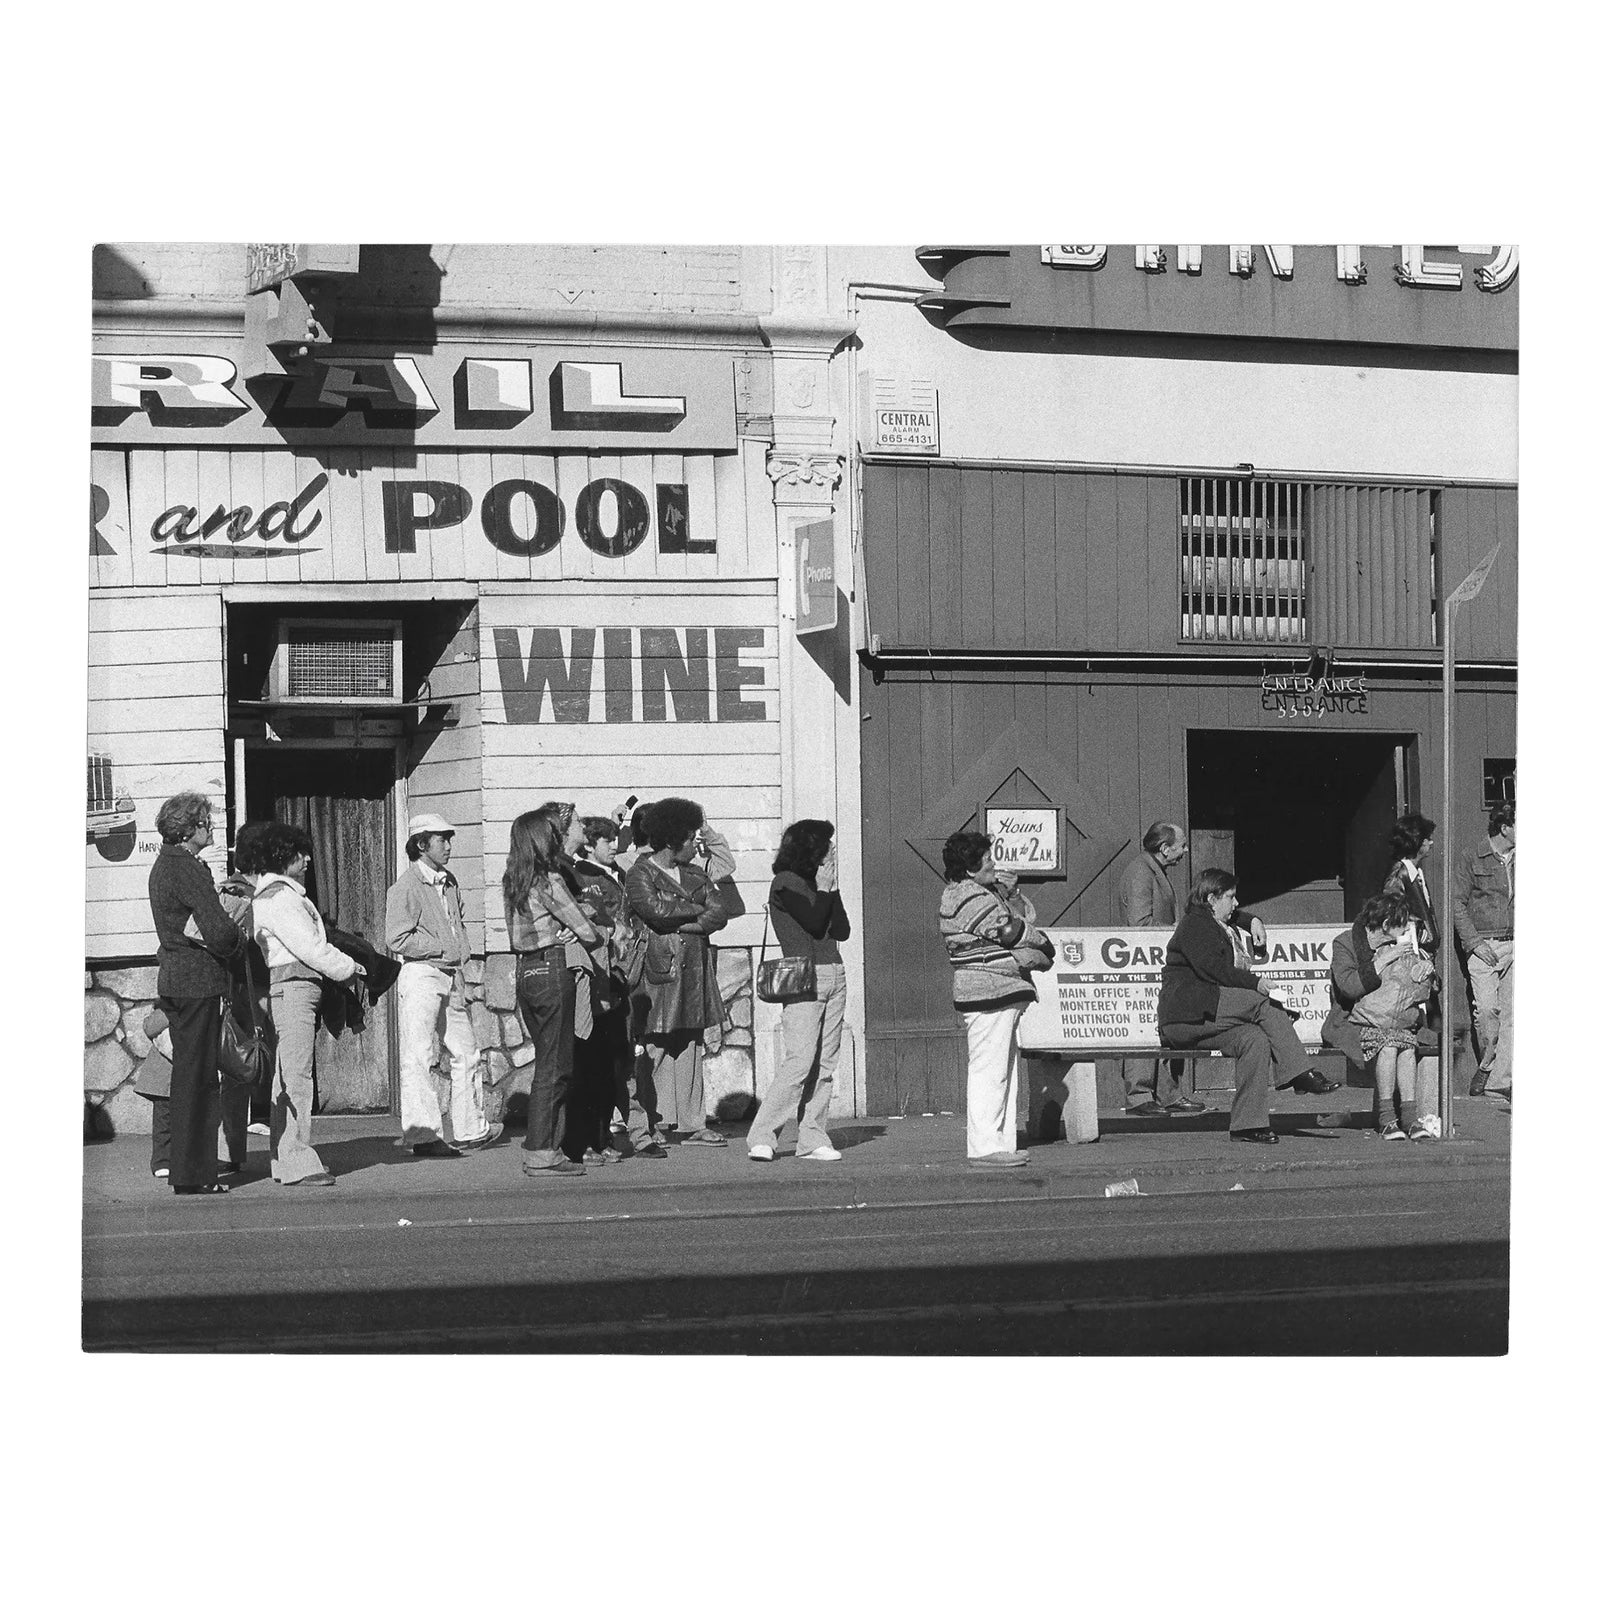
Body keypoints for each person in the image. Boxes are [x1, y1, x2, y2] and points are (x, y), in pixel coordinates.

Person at [1157, 868, 1337, 1144]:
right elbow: (1214, 970)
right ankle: (1299, 1072)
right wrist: (1256, 982)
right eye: (1231, 897)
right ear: (1212, 898)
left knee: (1254, 1040)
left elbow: (1232, 915)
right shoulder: (1195, 925)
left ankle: (1247, 1126)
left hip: (1206, 1018)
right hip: (1185, 1017)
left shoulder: (1213, 920)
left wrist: (1252, 921)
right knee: (1261, 1002)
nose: (1237, 903)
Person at [251, 822, 365, 1186]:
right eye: (300, 853)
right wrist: (350, 968)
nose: (308, 859)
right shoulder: (280, 899)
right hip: (293, 988)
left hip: (298, 989)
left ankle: (287, 1159)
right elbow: (310, 948)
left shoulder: (283, 895)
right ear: (282, 857)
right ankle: (296, 1160)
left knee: (291, 1074)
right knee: (295, 1076)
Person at [386, 813, 501, 1158]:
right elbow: (396, 937)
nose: (449, 847)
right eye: (441, 840)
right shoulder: (405, 887)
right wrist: (441, 948)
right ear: (422, 844)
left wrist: (458, 954)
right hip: (421, 974)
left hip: (449, 975)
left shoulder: (448, 882)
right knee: (418, 1055)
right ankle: (423, 1136)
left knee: (466, 1052)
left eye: (449, 839)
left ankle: (470, 1129)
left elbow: (458, 924)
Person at [146, 791, 244, 1194]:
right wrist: (237, 936)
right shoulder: (187, 868)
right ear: (190, 829)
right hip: (197, 983)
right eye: (206, 821)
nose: (212, 827)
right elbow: (219, 931)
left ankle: (188, 1170)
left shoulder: (164, 865)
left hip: (177, 979)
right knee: (198, 1080)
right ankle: (194, 1175)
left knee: (188, 1076)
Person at [938, 831, 1053, 1168]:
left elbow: (1018, 920)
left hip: (999, 991)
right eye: (987, 859)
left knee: (1002, 1070)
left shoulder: (983, 893)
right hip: (988, 990)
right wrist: (1042, 943)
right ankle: (985, 1146)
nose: (994, 864)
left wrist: (1011, 893)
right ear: (972, 867)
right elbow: (1011, 931)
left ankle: (1002, 1141)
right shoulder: (969, 896)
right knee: (990, 1070)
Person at [625, 797, 731, 1151]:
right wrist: (696, 910)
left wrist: (683, 915)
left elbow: (719, 914)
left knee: (690, 1042)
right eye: (690, 838)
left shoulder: (696, 873)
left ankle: (692, 1123)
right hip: (661, 969)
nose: (695, 844)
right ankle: (649, 1122)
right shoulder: (640, 872)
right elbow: (654, 912)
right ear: (673, 840)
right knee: (654, 1044)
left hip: (695, 968)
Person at [504, 809, 607, 1175]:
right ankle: (541, 1151)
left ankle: (550, 1147)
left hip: (524, 970)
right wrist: (583, 925)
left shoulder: (513, 878)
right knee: (556, 1065)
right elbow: (586, 930)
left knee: (547, 1061)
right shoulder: (547, 879)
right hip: (551, 966)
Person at [747, 819, 851, 1163]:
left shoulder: (820, 882)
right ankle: (762, 1135)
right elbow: (812, 921)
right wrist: (824, 890)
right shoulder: (785, 883)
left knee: (825, 1063)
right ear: (811, 849)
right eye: (827, 845)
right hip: (804, 975)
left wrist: (830, 889)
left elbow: (842, 929)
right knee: (800, 1061)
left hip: (834, 972)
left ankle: (813, 1138)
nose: (833, 851)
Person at [1115, 822, 1205, 1117]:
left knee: (1165, 1025)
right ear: (1165, 849)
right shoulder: (1141, 872)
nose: (1185, 851)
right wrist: (1176, 929)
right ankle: (1140, 1096)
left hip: (1162, 964)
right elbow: (1140, 924)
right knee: (1145, 1027)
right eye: (1181, 845)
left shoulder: (1154, 870)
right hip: (1146, 963)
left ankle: (1169, 1093)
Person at [573, 815, 635, 1159]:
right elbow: (592, 922)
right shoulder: (583, 876)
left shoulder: (618, 875)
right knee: (592, 1059)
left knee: (614, 1059)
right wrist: (613, 932)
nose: (614, 846)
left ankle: (604, 1136)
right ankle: (589, 1138)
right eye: (606, 841)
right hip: (597, 970)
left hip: (621, 974)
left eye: (615, 840)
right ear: (589, 844)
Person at [215, 819, 274, 1171]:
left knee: (241, 1069)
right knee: (250, 1066)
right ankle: (239, 1150)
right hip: (252, 988)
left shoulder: (229, 890)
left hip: (246, 987)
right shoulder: (244, 894)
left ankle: (231, 1152)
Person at [1454, 801, 1514, 1102]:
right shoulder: (1472, 856)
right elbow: (1457, 904)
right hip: (1485, 945)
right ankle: (1488, 1065)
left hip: (1516, 942)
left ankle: (1498, 1083)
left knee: (1514, 1016)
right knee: (1489, 1010)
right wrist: (1475, 943)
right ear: (1505, 828)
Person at [1384, 813, 1440, 954]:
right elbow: (1393, 921)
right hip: (1412, 956)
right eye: (1427, 839)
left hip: (1423, 953)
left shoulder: (1416, 872)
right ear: (1416, 842)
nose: (1431, 843)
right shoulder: (1398, 877)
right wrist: (1418, 937)